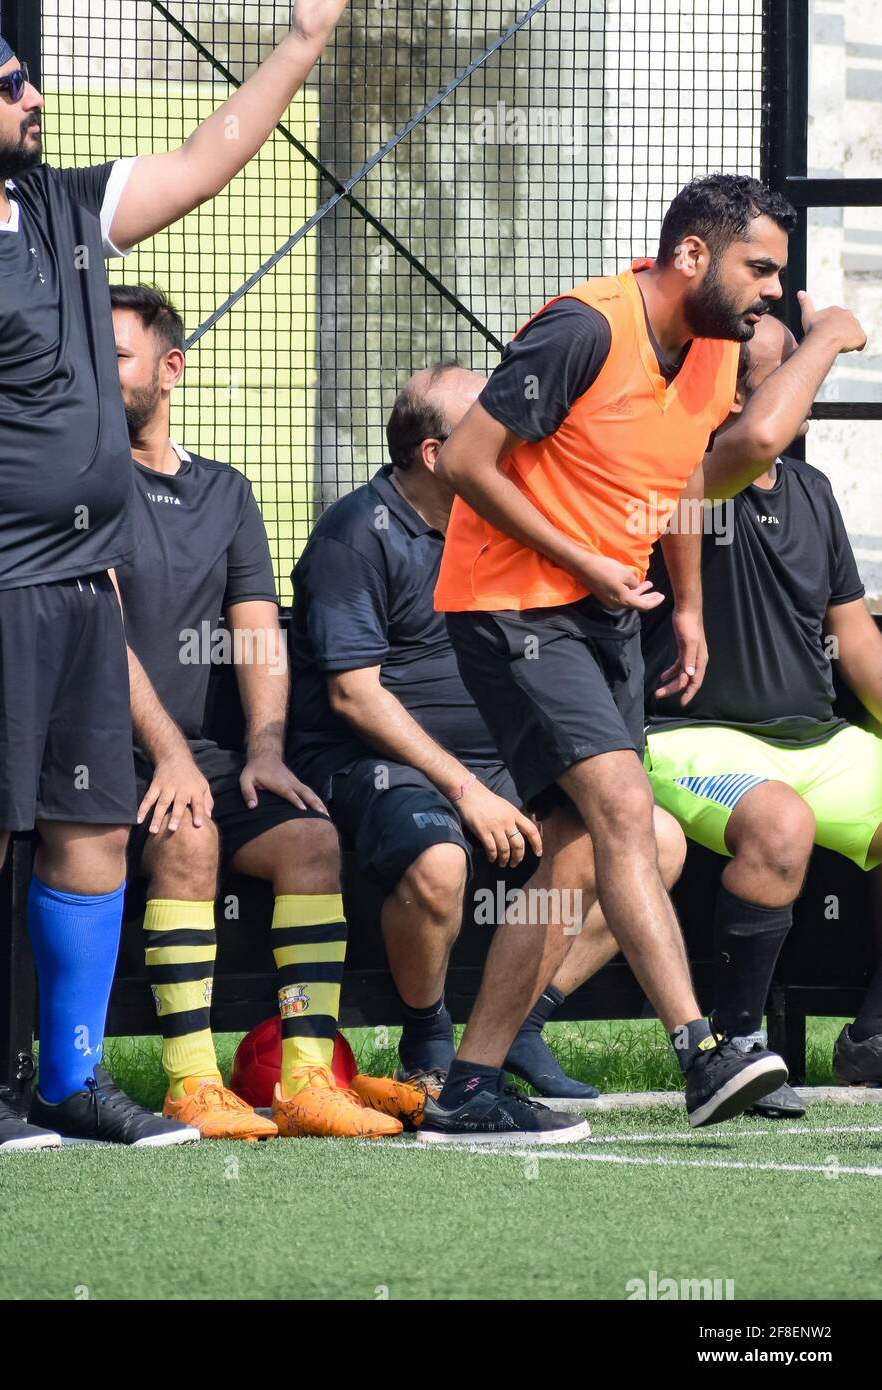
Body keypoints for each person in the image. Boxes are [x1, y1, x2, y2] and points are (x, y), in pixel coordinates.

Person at [0, 1, 353, 1151]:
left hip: (78, 582)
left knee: (92, 828)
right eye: (10, 86)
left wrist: (303, 39)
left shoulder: (61, 205)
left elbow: (209, 161)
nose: (34, 96)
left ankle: (72, 1081)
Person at [427, 174, 798, 1139]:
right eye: (757, 267)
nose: (772, 291)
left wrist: (688, 609)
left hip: (601, 608)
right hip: (510, 603)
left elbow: (676, 476)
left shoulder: (716, 349)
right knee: (626, 809)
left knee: (580, 849)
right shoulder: (582, 328)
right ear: (690, 256)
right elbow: (466, 459)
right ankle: (698, 1049)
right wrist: (584, 558)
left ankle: (468, 1083)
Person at [287, 363, 685, 1130]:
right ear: (437, 455)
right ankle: (429, 1042)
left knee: (653, 841)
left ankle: (514, 1031)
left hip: (503, 757)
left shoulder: (507, 525)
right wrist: (466, 791)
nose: (517, 438)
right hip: (379, 764)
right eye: (491, 424)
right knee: (440, 861)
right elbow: (353, 694)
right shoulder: (354, 532)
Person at [111, 284, 401, 1140]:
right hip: (105, 761)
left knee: (312, 840)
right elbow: (103, 634)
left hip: (205, 760)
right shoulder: (83, 482)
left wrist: (266, 749)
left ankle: (307, 1082)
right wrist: (166, 756)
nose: (96, 370)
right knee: (190, 833)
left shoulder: (226, 492)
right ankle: (190, 1083)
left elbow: (257, 634)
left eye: (116, 355)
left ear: (170, 369)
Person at [640, 301, 881, 1105]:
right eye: (772, 374)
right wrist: (827, 336)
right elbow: (759, 439)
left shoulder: (813, 493)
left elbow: (855, 640)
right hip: (690, 738)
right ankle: (734, 1046)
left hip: (817, 741)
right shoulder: (683, 477)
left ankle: (871, 1038)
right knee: (780, 821)